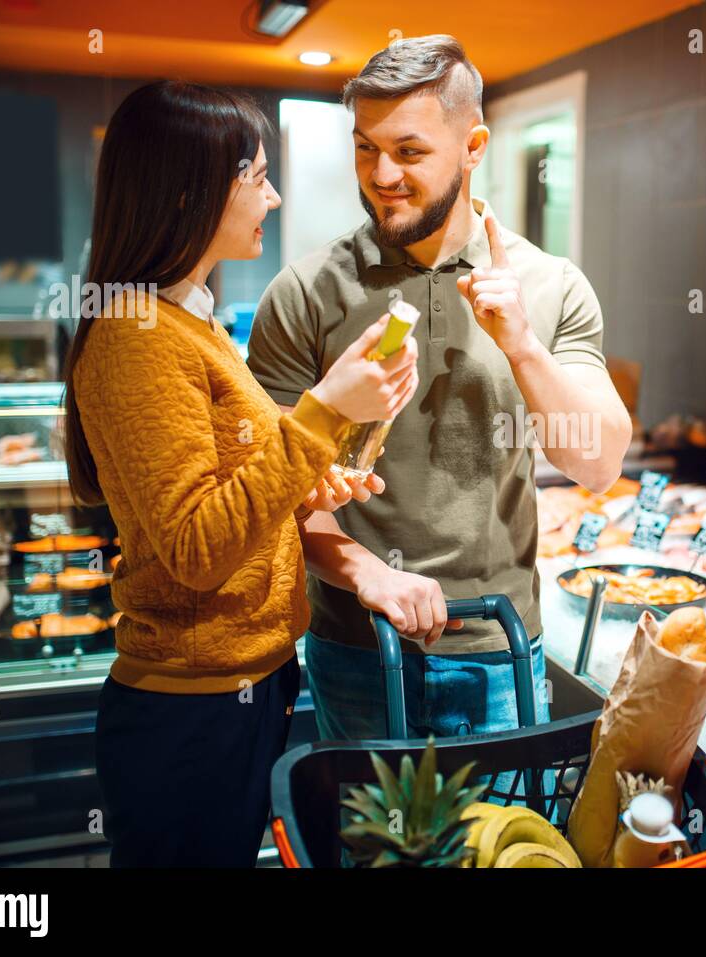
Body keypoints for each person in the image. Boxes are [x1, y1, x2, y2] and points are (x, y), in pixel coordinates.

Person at [62, 80, 419, 866]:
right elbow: (195, 547)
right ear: (189, 190)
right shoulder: (135, 336)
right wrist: (324, 410)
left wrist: (312, 482)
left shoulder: (190, 313)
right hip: (189, 713)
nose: (276, 195)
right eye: (256, 176)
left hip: (242, 691)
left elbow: (231, 491)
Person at [247, 36, 631, 743]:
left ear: (474, 145)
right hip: (358, 651)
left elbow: (599, 463)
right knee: (371, 853)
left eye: (410, 151)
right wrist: (363, 570)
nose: (382, 173)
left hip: (501, 650)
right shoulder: (303, 292)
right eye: (365, 148)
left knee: (508, 850)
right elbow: (266, 491)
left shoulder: (550, 286)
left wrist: (520, 342)